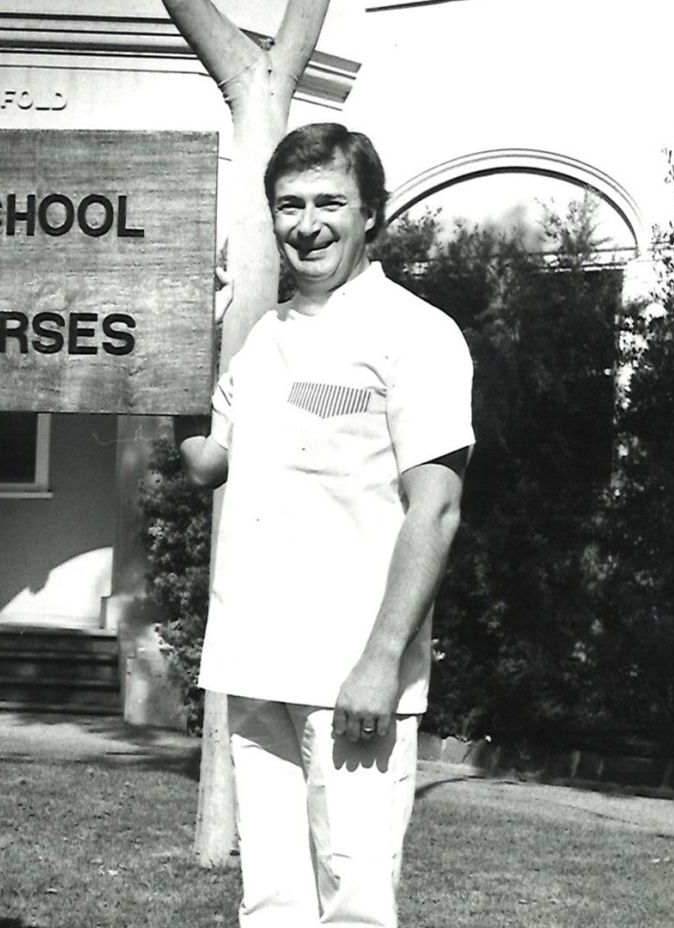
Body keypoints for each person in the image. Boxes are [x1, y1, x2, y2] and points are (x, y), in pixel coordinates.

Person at [181, 123, 473, 927]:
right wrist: (182, 339)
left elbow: (436, 507)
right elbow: (205, 462)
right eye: (288, 205)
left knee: (355, 902)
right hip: (255, 661)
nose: (306, 223)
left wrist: (380, 662)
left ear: (371, 215)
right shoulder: (261, 339)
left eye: (328, 203)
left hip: (350, 674)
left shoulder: (416, 334)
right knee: (271, 900)